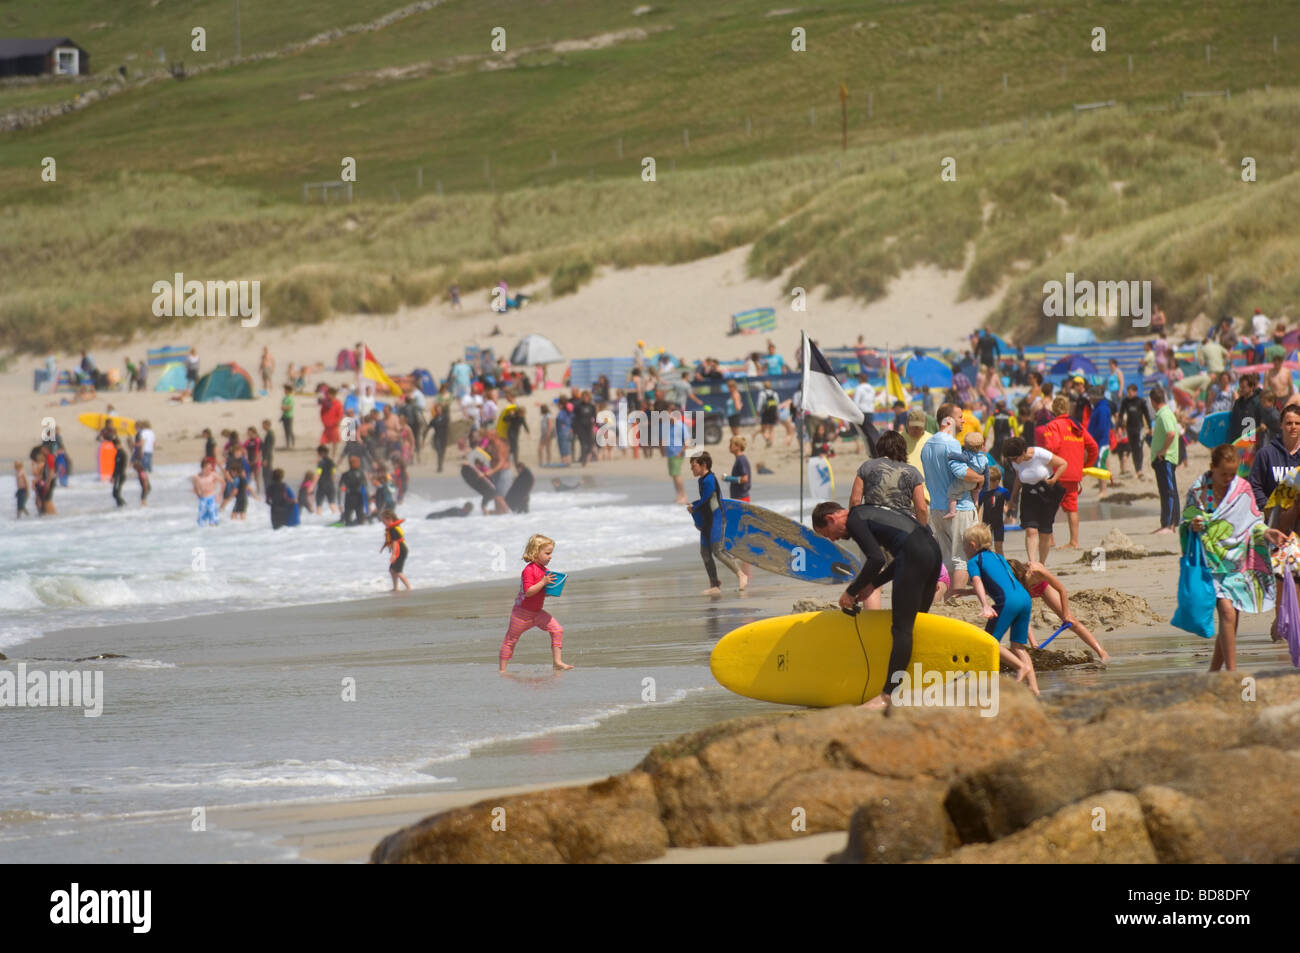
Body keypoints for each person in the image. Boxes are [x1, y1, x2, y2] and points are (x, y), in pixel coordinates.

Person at [811, 501, 944, 709]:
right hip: (932, 552)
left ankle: (887, 696)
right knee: (914, 624)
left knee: (901, 629)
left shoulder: (855, 519)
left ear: (831, 518)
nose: (833, 539)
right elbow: (903, 553)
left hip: (915, 555)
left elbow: (876, 559)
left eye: (828, 534)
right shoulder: (869, 511)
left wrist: (851, 591)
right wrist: (873, 584)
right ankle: (914, 683)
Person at [1183, 444, 1286, 671]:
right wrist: (1193, 524)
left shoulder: (1242, 488)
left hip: (1238, 561)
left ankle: (1213, 671)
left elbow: (1253, 524)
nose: (1229, 479)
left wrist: (1267, 532)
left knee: (1232, 618)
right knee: (1228, 613)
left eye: (1233, 473)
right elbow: (1185, 521)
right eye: (1223, 474)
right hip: (1211, 562)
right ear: (1212, 468)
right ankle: (1232, 673)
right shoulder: (1198, 490)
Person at [963, 524, 1038, 695]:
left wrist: (985, 605)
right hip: (1024, 598)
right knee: (1018, 647)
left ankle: (1021, 667)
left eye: (964, 544)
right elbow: (999, 581)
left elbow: (978, 581)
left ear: (972, 545)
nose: (963, 548)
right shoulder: (998, 557)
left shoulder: (974, 561)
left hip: (1008, 602)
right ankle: (1034, 688)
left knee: (989, 643)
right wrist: (967, 592)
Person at [919, 403, 984, 593]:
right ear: (948, 420)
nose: (963, 420)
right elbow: (963, 473)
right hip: (959, 507)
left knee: (948, 558)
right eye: (960, 416)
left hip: (937, 508)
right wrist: (980, 478)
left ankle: (948, 599)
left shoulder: (927, 444)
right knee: (963, 558)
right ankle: (955, 599)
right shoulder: (951, 443)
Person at [1006, 559, 1111, 661]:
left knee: (1073, 622)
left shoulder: (1037, 572)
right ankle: (1035, 646)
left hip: (1042, 588)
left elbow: (1061, 589)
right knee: (1021, 616)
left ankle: (1101, 652)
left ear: (1023, 574)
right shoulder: (1013, 583)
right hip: (1026, 594)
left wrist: (1066, 614)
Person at [499, 534, 572, 673]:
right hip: (521, 614)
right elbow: (528, 592)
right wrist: (543, 582)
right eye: (547, 553)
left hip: (537, 613)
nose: (550, 556)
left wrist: (550, 591)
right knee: (510, 640)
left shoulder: (545, 571)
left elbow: (540, 591)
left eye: (551, 553)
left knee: (557, 629)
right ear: (535, 552)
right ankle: (502, 670)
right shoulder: (529, 570)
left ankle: (557, 662)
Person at [1036, 394, 1098, 550]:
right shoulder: (1077, 426)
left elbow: (1052, 447)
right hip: (1074, 473)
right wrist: (1085, 466)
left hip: (1057, 472)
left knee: (1047, 506)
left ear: (1053, 410)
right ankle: (1074, 541)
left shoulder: (1052, 425)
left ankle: (1050, 540)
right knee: (1071, 508)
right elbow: (1093, 447)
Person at [688, 451, 748, 594]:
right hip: (708, 521)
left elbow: (707, 500)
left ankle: (741, 575)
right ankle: (715, 585)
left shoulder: (709, 480)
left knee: (718, 551)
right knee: (705, 553)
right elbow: (704, 503)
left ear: (703, 464)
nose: (691, 468)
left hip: (716, 519)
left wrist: (694, 508)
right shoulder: (701, 480)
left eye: (694, 465)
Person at [1002, 436, 1068, 563]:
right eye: (1010, 459)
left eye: (1015, 458)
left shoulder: (1039, 454)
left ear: (1022, 452)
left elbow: (1063, 464)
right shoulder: (1015, 461)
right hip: (1028, 494)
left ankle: (1041, 564)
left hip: (1047, 493)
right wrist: (1012, 499)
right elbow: (1018, 479)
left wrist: (1054, 480)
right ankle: (1032, 563)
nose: (1013, 461)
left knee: (1045, 531)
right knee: (1030, 529)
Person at [1150, 386, 1181, 534]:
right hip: (1163, 459)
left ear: (1153, 401)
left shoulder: (1164, 414)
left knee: (1168, 491)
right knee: (1166, 491)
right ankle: (1168, 523)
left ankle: (1169, 525)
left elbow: (1171, 433)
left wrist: (1163, 450)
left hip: (1166, 458)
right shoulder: (1163, 414)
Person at [944, 431, 988, 520]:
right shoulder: (984, 458)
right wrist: (985, 487)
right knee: (975, 492)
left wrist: (951, 455)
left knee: (952, 492)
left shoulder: (968, 455)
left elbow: (961, 458)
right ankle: (976, 503)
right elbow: (987, 474)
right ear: (982, 446)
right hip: (975, 484)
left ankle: (952, 511)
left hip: (964, 482)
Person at [978, 467, 1010, 555]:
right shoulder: (984, 493)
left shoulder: (1003, 492)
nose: (987, 484)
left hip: (998, 523)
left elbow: (1009, 503)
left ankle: (1002, 564)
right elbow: (978, 506)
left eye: (989, 482)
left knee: (998, 547)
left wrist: (1008, 511)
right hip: (986, 523)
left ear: (997, 482)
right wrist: (977, 520)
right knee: (986, 546)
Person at [380, 509, 411, 591]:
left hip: (400, 550)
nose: (383, 523)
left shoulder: (393, 529)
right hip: (400, 549)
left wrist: (394, 554)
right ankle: (395, 588)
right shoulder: (392, 528)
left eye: (384, 521)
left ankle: (409, 588)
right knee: (392, 570)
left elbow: (395, 542)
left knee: (398, 571)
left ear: (389, 519)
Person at [1229, 373, 1262, 445]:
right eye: (1240, 387)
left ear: (1251, 387)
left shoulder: (1258, 403)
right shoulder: (1238, 402)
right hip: (1237, 442)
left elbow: (1261, 426)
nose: (1241, 389)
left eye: (1243, 387)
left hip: (1251, 444)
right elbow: (1234, 423)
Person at [666, 406, 689, 504]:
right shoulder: (669, 426)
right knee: (674, 476)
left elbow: (687, 441)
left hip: (677, 454)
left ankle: (684, 496)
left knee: (677, 475)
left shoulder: (681, 426)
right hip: (670, 453)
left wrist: (680, 452)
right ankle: (679, 495)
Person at [192, 457, 222, 526]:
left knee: (213, 521)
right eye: (208, 468)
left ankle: (213, 535)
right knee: (201, 522)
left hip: (212, 499)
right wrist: (198, 495)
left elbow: (223, 483)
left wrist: (219, 495)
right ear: (203, 467)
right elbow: (195, 488)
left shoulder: (213, 474)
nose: (209, 470)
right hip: (202, 500)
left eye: (210, 468)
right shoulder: (196, 477)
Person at [339, 456, 367, 526]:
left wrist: (367, 503)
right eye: (357, 463)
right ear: (351, 464)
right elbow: (341, 487)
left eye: (358, 462)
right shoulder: (345, 474)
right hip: (350, 497)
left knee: (360, 521)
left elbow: (365, 487)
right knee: (347, 521)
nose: (359, 464)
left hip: (359, 498)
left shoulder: (361, 473)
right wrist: (340, 503)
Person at [723, 437, 752, 502]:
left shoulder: (741, 460)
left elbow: (745, 479)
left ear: (738, 447)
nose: (729, 447)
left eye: (731, 445)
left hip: (741, 497)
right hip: (738, 497)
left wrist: (728, 478)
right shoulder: (739, 459)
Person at [319, 387, 344, 457]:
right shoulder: (326, 403)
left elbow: (340, 414)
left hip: (334, 426)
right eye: (328, 394)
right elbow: (322, 412)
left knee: (335, 442)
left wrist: (338, 422)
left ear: (333, 395)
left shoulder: (338, 403)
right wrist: (323, 421)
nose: (328, 396)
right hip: (327, 426)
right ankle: (323, 455)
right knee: (322, 442)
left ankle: (333, 455)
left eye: (329, 394)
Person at [111, 437, 127, 508]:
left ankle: (123, 506)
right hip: (117, 476)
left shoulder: (122, 453)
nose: (114, 447)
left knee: (116, 494)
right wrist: (113, 476)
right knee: (115, 494)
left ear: (117, 444)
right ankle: (121, 506)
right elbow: (116, 467)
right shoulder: (118, 453)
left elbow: (121, 467)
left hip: (120, 476)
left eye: (114, 445)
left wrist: (116, 476)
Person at [281, 385, 295, 449]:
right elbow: (282, 406)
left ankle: (292, 443)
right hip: (284, 416)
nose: (284, 391)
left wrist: (284, 408)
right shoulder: (284, 398)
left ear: (288, 390)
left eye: (285, 390)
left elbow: (289, 407)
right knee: (286, 431)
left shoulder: (291, 398)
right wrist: (284, 408)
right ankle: (287, 444)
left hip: (289, 416)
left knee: (290, 430)